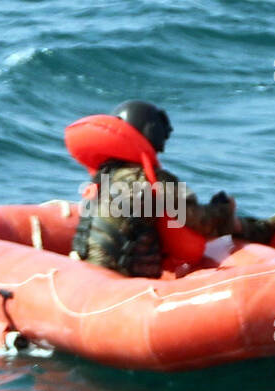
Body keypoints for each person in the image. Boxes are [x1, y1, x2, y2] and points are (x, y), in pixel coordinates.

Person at [69, 100, 236, 277]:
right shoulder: (154, 180)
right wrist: (224, 210)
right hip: (125, 281)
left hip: (87, 273)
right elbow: (200, 222)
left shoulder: (101, 178)